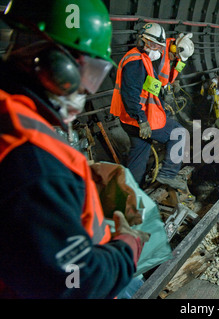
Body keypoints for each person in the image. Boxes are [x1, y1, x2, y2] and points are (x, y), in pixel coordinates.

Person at [0, 0, 150, 298]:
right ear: (60, 68)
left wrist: (76, 180)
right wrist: (126, 247)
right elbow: (75, 281)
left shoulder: (12, 115)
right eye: (89, 73)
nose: (87, 90)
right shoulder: (33, 161)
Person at [110, 22, 188, 190]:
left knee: (139, 155)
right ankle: (167, 174)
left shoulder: (141, 58)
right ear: (143, 41)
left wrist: (160, 104)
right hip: (140, 119)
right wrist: (142, 120)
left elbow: (148, 88)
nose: (158, 51)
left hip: (130, 120)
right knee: (179, 133)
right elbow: (130, 94)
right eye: (154, 46)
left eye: (160, 47)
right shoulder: (135, 62)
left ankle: (131, 194)